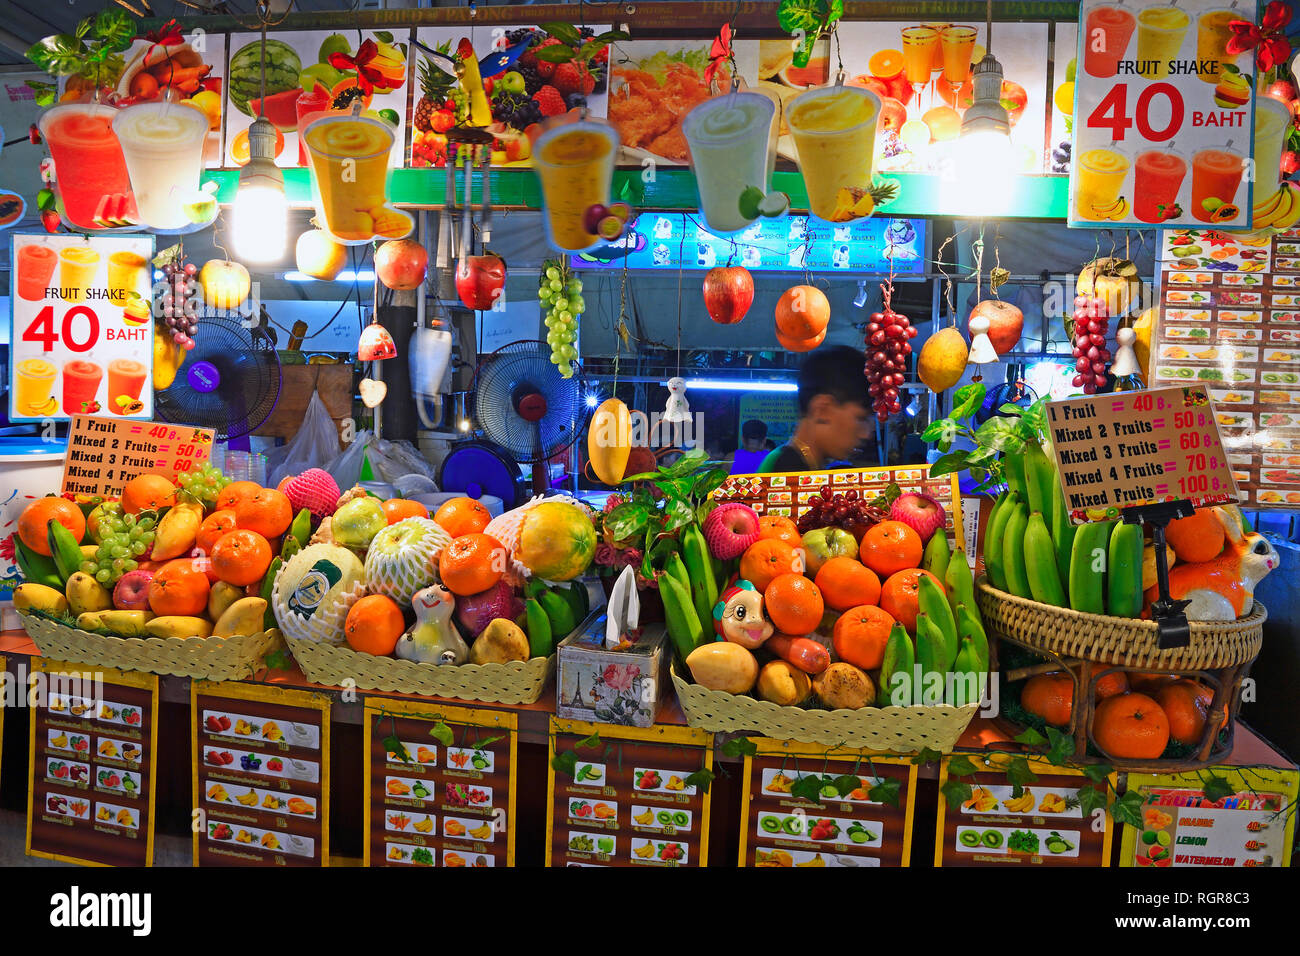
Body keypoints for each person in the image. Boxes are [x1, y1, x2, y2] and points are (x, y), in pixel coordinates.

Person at [759, 345, 873, 473]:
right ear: (822, 410)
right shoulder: (788, 473)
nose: (866, 434)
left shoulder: (794, 461)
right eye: (861, 418)